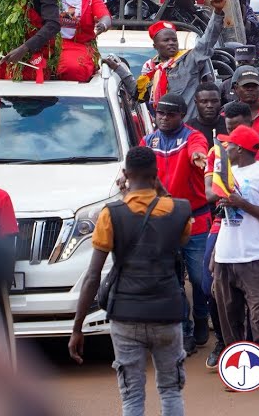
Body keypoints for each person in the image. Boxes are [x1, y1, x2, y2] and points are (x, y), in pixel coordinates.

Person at [69, 146, 193, 416]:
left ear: (125, 174)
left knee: (132, 397)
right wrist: (161, 190)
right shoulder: (180, 209)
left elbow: (92, 277)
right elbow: (181, 239)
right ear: (156, 174)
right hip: (167, 313)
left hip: (126, 316)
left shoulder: (111, 214)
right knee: (171, 390)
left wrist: (77, 327)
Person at [208, 125, 259, 395]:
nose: (225, 148)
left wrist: (242, 204)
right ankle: (237, 375)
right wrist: (215, 255)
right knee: (230, 321)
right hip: (225, 256)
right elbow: (222, 217)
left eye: (229, 144)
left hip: (253, 259)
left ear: (239, 149)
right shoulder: (226, 174)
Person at [140, 93, 212, 354]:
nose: (164, 118)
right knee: (172, 281)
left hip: (195, 218)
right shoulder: (149, 140)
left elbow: (198, 150)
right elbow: (138, 165)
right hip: (163, 221)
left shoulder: (193, 136)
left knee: (200, 278)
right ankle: (185, 330)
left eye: (171, 114)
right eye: (160, 113)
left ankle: (202, 316)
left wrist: (198, 157)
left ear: (182, 115)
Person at [124, 0, 227, 121]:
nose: (171, 43)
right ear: (155, 46)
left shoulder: (189, 60)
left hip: (188, 127)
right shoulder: (151, 69)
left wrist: (217, 12)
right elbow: (137, 94)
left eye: (174, 40)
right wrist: (119, 69)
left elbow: (207, 41)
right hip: (162, 128)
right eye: (166, 40)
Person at [49, 0, 112, 82]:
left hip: (79, 45)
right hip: (51, 45)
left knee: (74, 69)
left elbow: (105, 17)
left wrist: (103, 25)